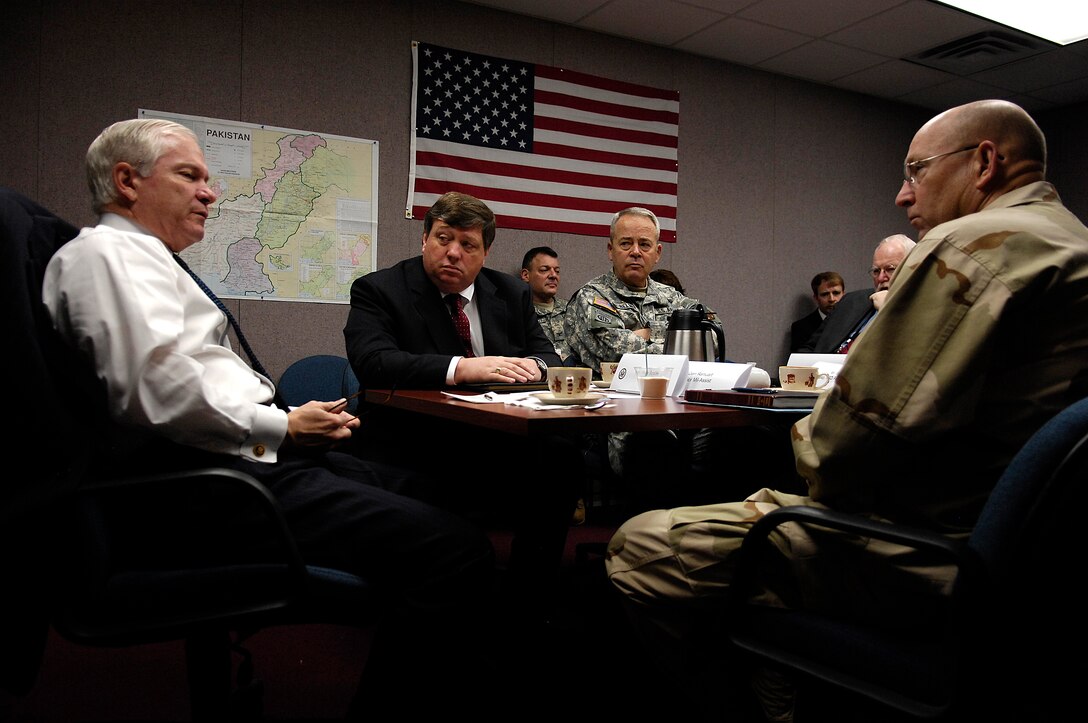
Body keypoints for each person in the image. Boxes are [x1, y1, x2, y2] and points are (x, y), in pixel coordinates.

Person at [605, 99, 1088, 720]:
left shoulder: (972, 245)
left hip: (918, 552)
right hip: (1033, 558)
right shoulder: (1072, 241)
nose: (901, 194)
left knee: (641, 547)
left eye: (916, 171)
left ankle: (768, 712)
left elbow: (839, 452)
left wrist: (801, 443)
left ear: (985, 163)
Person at [41, 119, 497, 713]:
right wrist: (282, 426)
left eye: (208, 178)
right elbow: (156, 390)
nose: (210, 192)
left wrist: (284, 416)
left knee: (443, 497)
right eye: (190, 176)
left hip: (225, 465)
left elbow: (180, 378)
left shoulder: (142, 258)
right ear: (127, 181)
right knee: (457, 550)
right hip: (202, 487)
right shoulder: (108, 256)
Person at [343, 191, 581, 611]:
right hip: (413, 436)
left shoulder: (509, 292)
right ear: (423, 240)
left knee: (562, 456)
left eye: (467, 244)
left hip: (494, 434)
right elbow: (373, 362)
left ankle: (529, 597)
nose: (452, 252)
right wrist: (462, 368)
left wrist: (533, 368)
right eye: (442, 238)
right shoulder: (379, 289)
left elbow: (547, 356)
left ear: (486, 251)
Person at [565, 207, 749, 507]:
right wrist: (677, 345)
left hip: (686, 412)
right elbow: (620, 352)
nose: (635, 252)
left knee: (744, 435)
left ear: (658, 252)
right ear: (610, 250)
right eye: (626, 244)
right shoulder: (592, 298)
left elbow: (714, 335)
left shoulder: (673, 298)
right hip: (625, 421)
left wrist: (645, 337)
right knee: (657, 445)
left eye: (644, 244)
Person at [797, 234, 915, 354]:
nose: (880, 278)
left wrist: (889, 309)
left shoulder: (924, 310)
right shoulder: (851, 301)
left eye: (890, 269)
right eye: (876, 271)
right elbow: (810, 348)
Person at [520, 245, 571, 363]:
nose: (553, 275)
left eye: (557, 271)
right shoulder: (520, 313)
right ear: (525, 275)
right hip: (541, 378)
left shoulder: (572, 309)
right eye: (544, 270)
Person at [789, 271, 843, 352]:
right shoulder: (801, 328)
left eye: (836, 293)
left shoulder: (854, 322)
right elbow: (798, 361)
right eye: (825, 294)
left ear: (844, 294)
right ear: (816, 298)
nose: (832, 299)